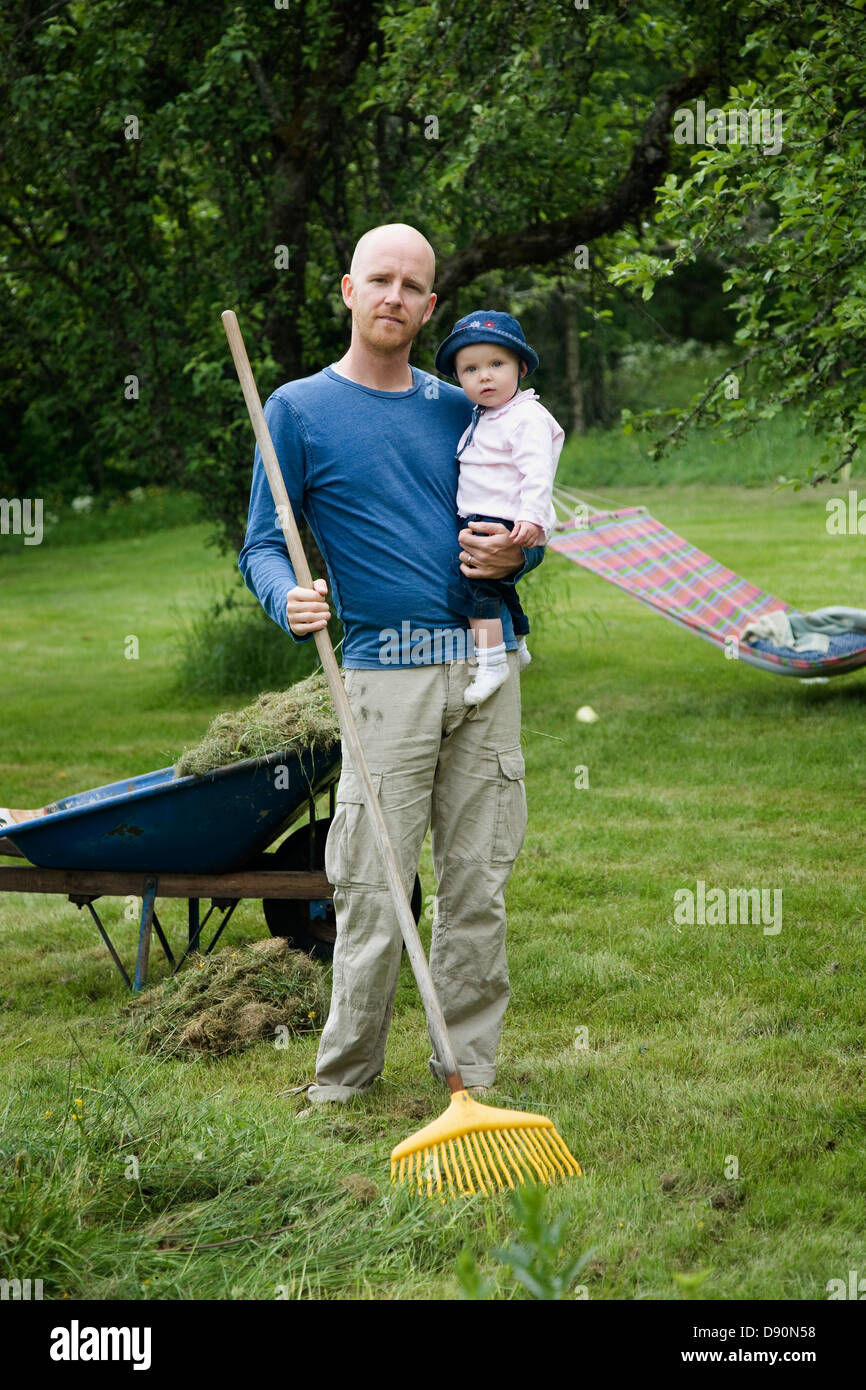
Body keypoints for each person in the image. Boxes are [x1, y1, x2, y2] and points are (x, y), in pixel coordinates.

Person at [238, 223, 545, 1109]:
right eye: (380, 281)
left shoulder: (463, 407)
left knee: (478, 880)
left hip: (485, 668)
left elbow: (520, 519)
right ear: (346, 289)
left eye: (413, 287)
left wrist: (514, 560)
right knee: (371, 884)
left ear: (431, 306)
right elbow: (264, 543)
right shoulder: (295, 409)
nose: (395, 299)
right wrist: (285, 598)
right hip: (381, 675)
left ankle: (470, 1073)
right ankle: (344, 1079)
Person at [434, 311, 564, 704]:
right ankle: (519, 645)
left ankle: (491, 663)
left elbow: (537, 473)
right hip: (483, 514)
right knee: (500, 587)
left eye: (496, 364)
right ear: (458, 378)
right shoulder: (487, 415)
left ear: (520, 367)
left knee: (474, 589)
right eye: (470, 369)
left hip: (501, 517)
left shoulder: (525, 416)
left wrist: (531, 517)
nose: (484, 376)